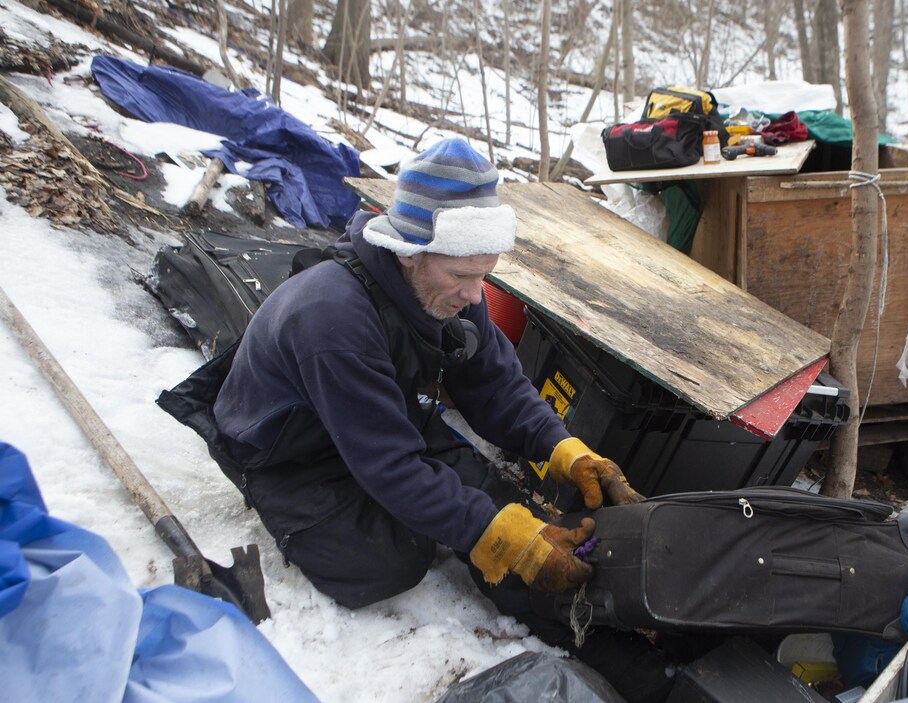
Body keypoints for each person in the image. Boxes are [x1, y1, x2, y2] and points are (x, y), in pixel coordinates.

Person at [159, 138, 673, 701]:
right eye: (461, 276)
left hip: (375, 413)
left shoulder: (449, 280)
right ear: (408, 250)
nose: (476, 295)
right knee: (386, 565)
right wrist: (499, 538)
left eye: (486, 275)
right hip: (292, 449)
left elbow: (496, 383)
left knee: (501, 511)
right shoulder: (332, 319)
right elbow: (391, 467)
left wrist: (564, 449)